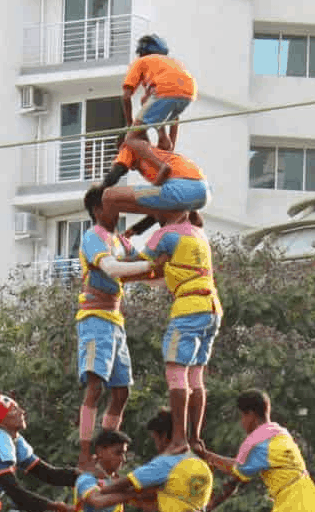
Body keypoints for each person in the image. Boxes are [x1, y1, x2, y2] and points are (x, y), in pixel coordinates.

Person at [76, 186, 166, 472]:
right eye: (112, 205)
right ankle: (86, 454)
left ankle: (106, 449)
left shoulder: (120, 241)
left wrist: (171, 268)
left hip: (115, 321)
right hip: (95, 317)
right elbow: (115, 269)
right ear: (97, 210)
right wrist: (150, 265)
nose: (117, 210)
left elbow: (145, 272)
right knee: (95, 386)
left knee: (121, 392)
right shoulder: (93, 237)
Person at [137, 209, 222, 455]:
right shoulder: (199, 236)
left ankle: (178, 438)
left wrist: (114, 259)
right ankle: (195, 438)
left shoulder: (166, 234)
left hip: (188, 309)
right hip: (211, 309)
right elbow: (163, 272)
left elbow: (138, 263)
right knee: (196, 377)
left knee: (176, 373)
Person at [193, 390, 315, 512]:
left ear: (251, 415)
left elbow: (235, 469)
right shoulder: (281, 433)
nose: (242, 423)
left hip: (293, 503)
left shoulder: (256, 442)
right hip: (310, 498)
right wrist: (209, 507)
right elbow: (234, 481)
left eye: (242, 416)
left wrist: (205, 455)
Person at [96, 409, 213, 512]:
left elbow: (125, 484)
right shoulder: (202, 466)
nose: (156, 446)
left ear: (164, 436)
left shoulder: (166, 463)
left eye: (155, 439)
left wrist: (99, 489)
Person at [99, 136, 210, 234]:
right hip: (202, 192)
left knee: (108, 195)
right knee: (165, 209)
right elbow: (156, 206)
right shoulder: (159, 154)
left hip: (181, 187)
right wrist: (135, 230)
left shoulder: (129, 147)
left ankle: (106, 238)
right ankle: (194, 236)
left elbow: (116, 172)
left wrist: (98, 192)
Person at [123, 34, 196, 151]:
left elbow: (126, 97)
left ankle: (161, 140)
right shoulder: (173, 62)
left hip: (164, 93)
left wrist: (130, 125)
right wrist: (172, 148)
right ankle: (166, 142)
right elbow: (174, 117)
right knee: (150, 100)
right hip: (189, 93)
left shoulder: (140, 62)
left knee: (131, 139)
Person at [73, 430, 142, 512]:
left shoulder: (113, 481)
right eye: (118, 453)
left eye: (124, 454)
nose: (123, 459)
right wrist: (130, 494)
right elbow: (97, 501)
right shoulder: (87, 478)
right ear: (100, 451)